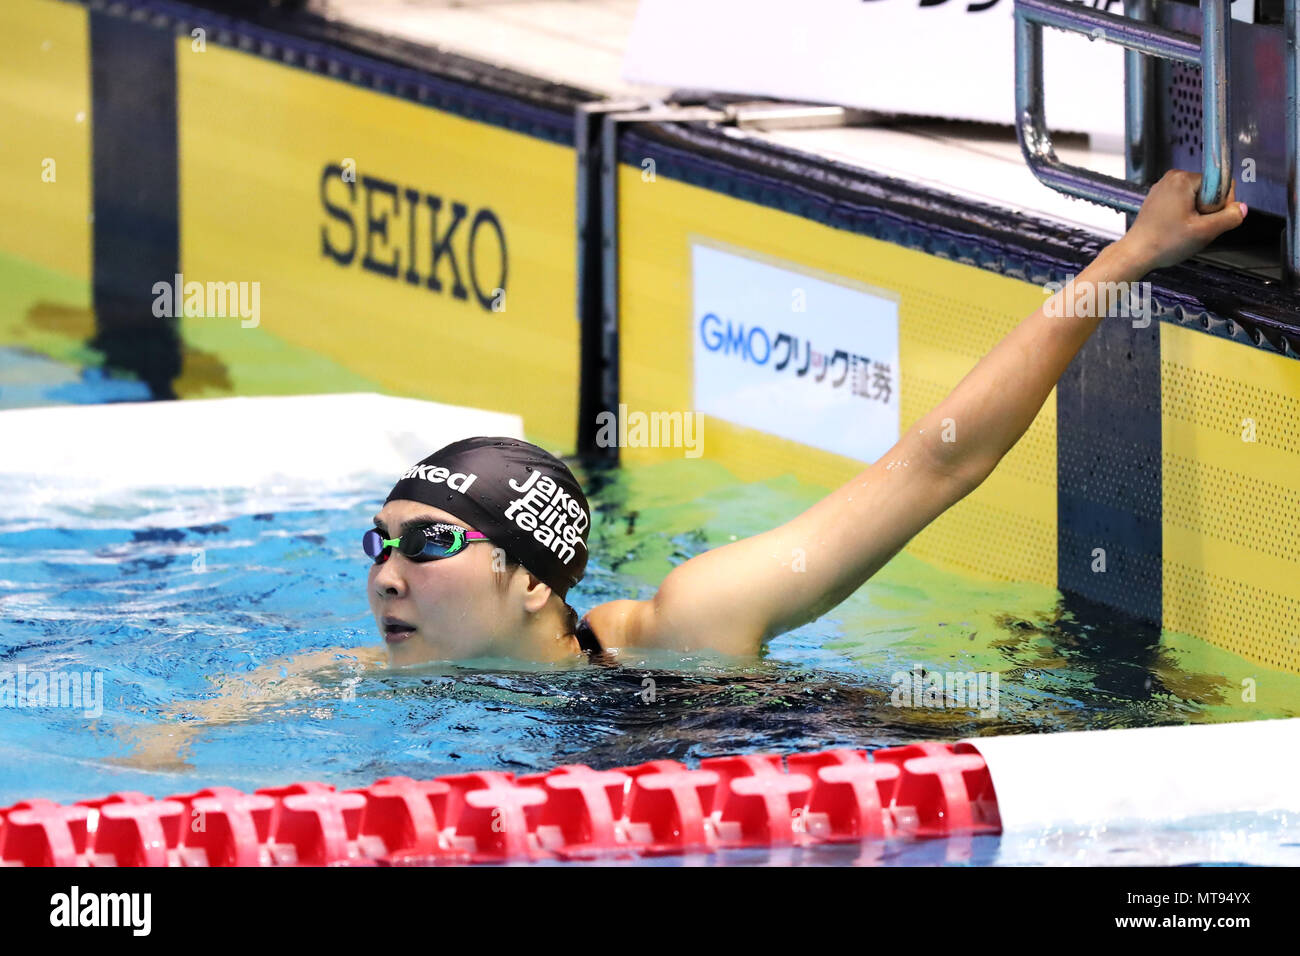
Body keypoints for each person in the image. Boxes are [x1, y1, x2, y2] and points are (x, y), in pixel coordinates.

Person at [370, 169, 1247, 667]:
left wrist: (1131, 254)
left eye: (431, 541)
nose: (387, 576)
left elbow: (939, 464)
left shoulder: (687, 627)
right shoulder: (385, 679)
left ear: (531, 580)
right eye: (381, 542)